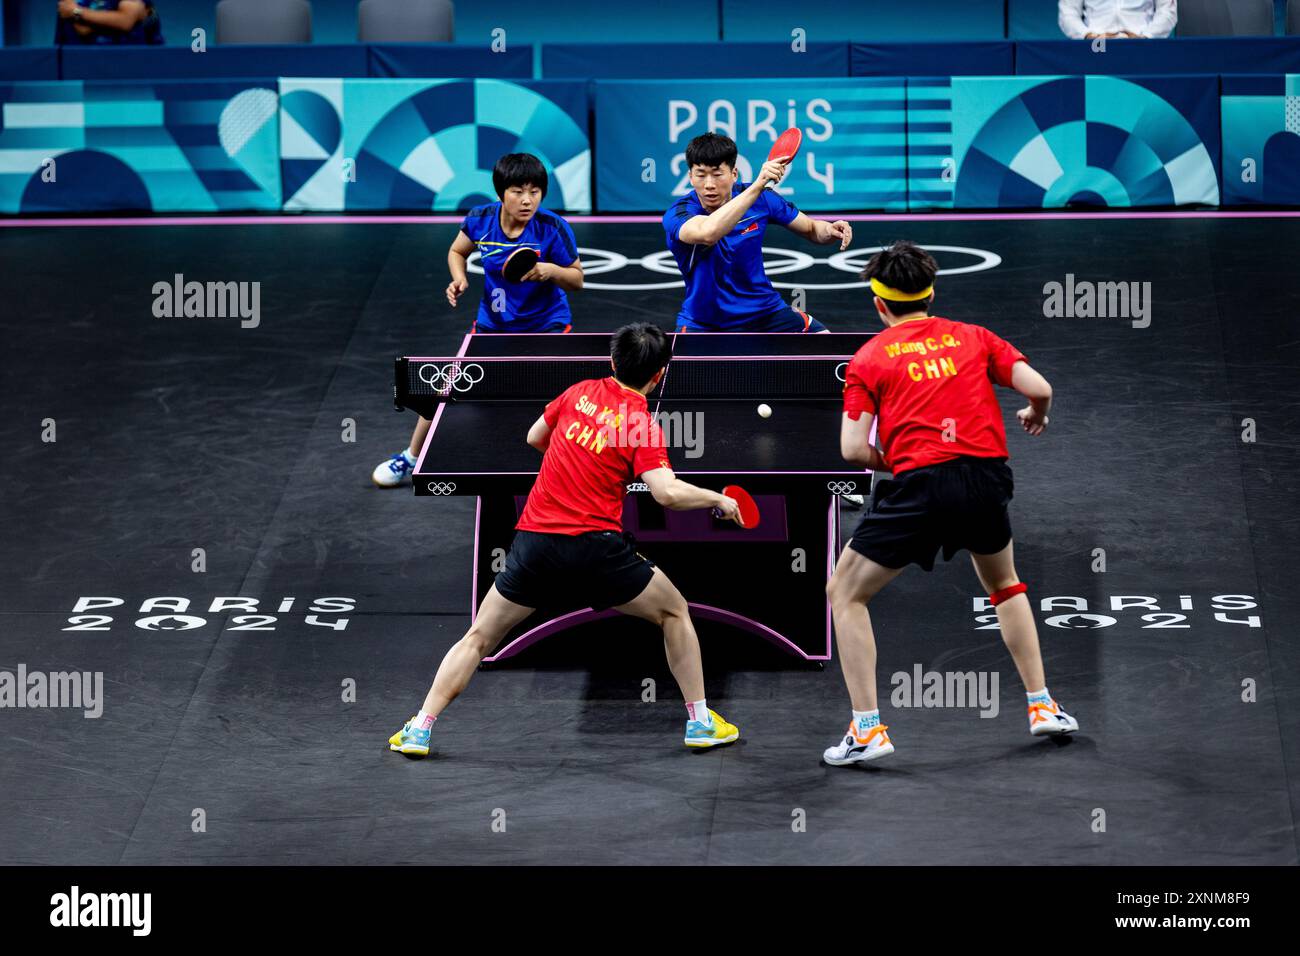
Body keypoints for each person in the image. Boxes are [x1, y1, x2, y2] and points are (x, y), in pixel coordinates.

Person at [389, 323, 743, 757]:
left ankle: (420, 728)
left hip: (536, 544)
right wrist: (717, 499)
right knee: (674, 612)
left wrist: (580, 459)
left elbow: (534, 436)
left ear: (612, 362)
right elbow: (666, 492)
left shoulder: (578, 392)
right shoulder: (641, 424)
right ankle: (702, 722)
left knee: (478, 638)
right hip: (597, 549)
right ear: (660, 375)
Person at [822, 240, 1079, 766]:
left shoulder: (868, 359)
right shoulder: (973, 336)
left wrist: (907, 460)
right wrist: (1037, 412)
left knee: (845, 594)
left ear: (879, 304)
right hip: (985, 479)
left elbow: (851, 449)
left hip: (919, 488)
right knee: (1005, 585)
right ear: (930, 294)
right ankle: (1042, 705)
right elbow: (1041, 387)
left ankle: (868, 730)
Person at [373, 153, 583, 487]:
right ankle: (411, 457)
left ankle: (572, 466)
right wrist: (459, 278)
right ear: (501, 192)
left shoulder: (552, 228)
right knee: (447, 390)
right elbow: (457, 251)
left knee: (556, 399)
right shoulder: (480, 219)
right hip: (492, 326)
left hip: (547, 325)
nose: (527, 199)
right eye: (517, 191)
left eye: (535, 191)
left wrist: (552, 270)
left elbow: (577, 279)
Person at [663, 132, 852, 333]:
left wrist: (829, 230)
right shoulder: (679, 213)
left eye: (718, 174)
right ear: (690, 177)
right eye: (701, 174)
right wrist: (758, 185)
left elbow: (812, 229)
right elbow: (708, 232)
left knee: (827, 344)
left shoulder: (762, 199)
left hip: (765, 312)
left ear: (734, 174)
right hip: (705, 323)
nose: (709, 184)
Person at [55, 0, 163, 44]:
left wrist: (77, 11)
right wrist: (111, 18)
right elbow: (82, 29)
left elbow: (125, 21)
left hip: (135, 69)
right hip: (78, 67)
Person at [1058, 0, 1177, 39]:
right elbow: (1068, 13)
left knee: (1143, 93)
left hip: (1142, 46)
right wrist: (1087, 35)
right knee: (1097, 91)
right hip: (1095, 46)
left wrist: (1146, 36)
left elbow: (1167, 12)